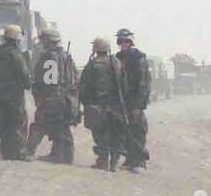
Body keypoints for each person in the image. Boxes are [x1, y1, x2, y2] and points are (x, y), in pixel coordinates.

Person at [25, 27, 79, 163]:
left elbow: (49, 81)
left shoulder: (50, 57)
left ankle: (27, 151)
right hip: (65, 98)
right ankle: (64, 156)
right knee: (61, 127)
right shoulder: (67, 56)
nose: (42, 43)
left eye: (44, 40)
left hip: (52, 98)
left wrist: (42, 98)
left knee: (40, 124)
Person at [79, 37, 127, 171]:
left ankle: (103, 160)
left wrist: (85, 103)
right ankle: (114, 162)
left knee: (100, 134)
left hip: (97, 105)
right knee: (115, 134)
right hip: (115, 106)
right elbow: (124, 85)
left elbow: (84, 85)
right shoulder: (117, 63)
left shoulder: (93, 64)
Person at [0, 24, 31, 160]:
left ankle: (6, 152)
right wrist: (28, 84)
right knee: (16, 122)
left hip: (0, 92)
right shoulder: (15, 54)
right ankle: (19, 152)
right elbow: (24, 74)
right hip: (14, 94)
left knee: (4, 122)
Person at [115, 28, 151, 172]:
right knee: (124, 130)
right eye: (121, 41)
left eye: (126, 41)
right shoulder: (117, 57)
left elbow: (143, 83)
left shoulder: (138, 58)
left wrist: (139, 104)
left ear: (131, 42)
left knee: (137, 130)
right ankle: (130, 159)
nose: (123, 43)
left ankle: (140, 161)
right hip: (122, 100)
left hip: (135, 99)